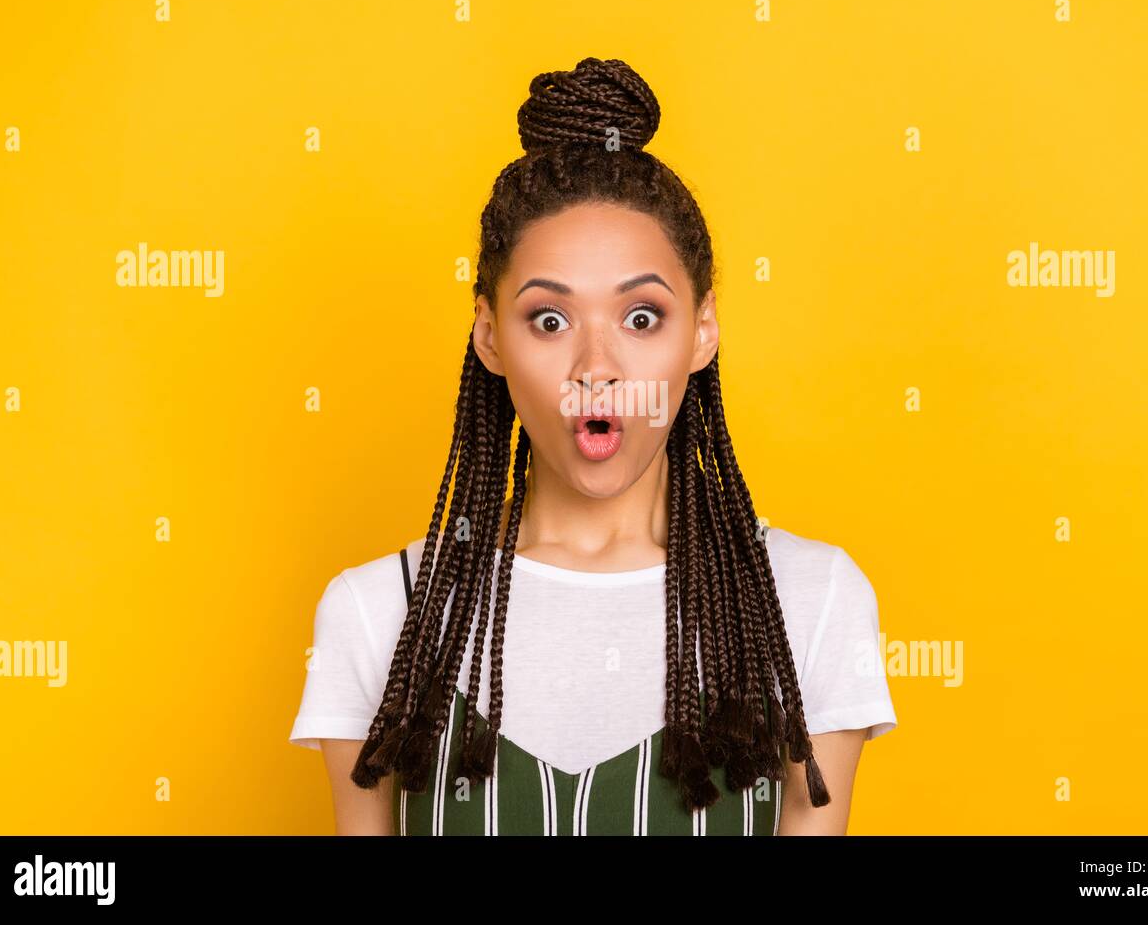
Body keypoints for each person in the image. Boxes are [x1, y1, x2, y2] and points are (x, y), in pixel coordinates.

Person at [290, 57, 897, 835]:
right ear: (489, 335)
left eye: (642, 317)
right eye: (549, 319)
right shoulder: (380, 615)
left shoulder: (810, 603)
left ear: (703, 331)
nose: (596, 369)